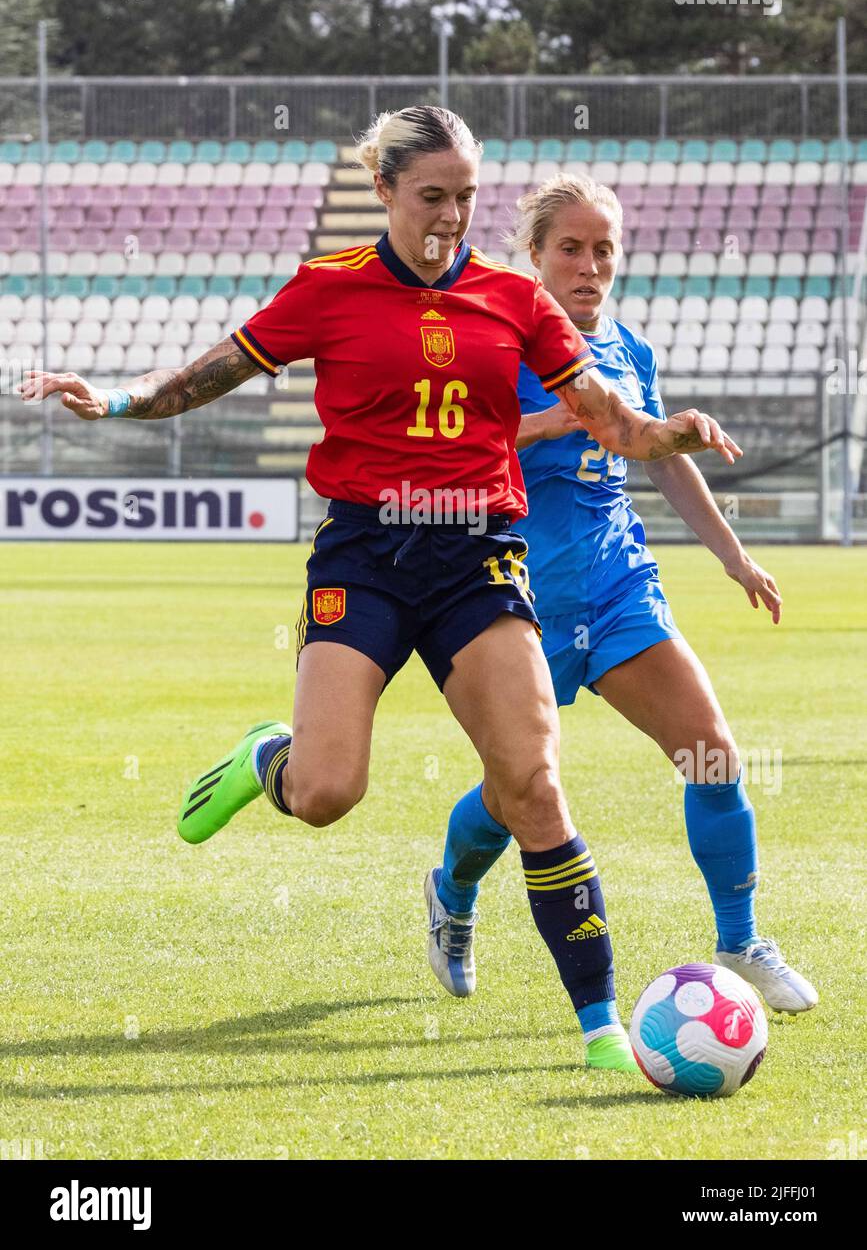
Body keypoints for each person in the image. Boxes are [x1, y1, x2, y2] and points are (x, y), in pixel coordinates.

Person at [20, 108, 741, 1074]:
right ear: (387, 192)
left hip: (478, 557)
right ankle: (269, 758)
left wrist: (674, 430)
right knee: (324, 794)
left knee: (531, 780)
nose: (450, 215)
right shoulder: (329, 290)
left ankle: (602, 1027)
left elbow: (615, 426)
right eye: (431, 196)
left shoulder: (514, 300)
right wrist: (113, 397)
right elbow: (206, 375)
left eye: (465, 197)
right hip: (363, 556)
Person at [427, 173, 817, 1028]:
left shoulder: (627, 353)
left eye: (603, 249)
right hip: (515, 598)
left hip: (615, 585)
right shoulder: (497, 341)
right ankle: (451, 892)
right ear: (533, 256)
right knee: (516, 788)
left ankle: (740, 940)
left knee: (711, 751)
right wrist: (557, 422)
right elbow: (456, 443)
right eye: (569, 247)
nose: (589, 265)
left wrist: (733, 557)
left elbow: (660, 457)